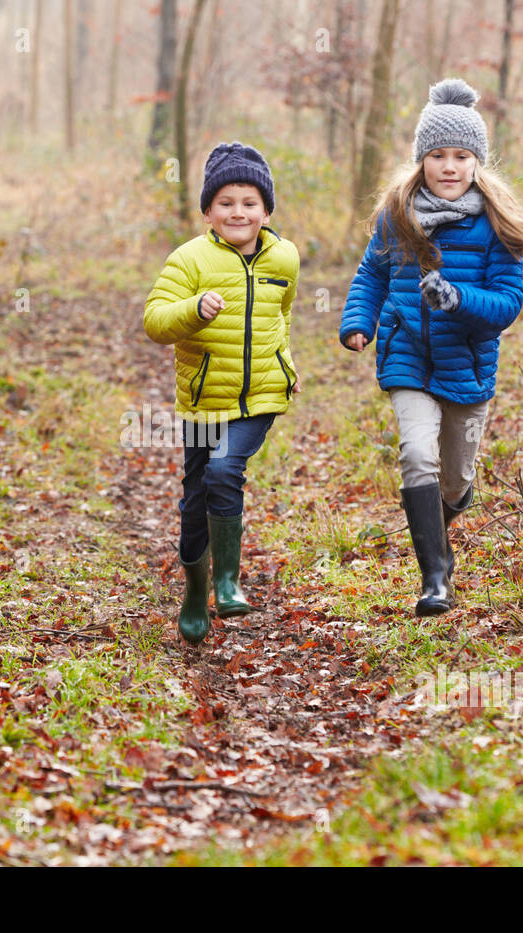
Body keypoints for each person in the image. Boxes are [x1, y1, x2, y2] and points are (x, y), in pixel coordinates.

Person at [339, 79, 523, 616]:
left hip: (468, 368)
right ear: (421, 160)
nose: (448, 166)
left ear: (477, 162)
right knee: (416, 455)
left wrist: (456, 298)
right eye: (437, 155)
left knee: (456, 480)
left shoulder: (496, 226)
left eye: (461, 155)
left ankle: (443, 516)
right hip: (408, 358)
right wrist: (360, 321)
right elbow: (370, 276)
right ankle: (435, 578)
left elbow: (506, 305)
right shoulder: (397, 214)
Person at [144, 142, 300, 645]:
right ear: (208, 210)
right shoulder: (188, 260)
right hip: (203, 400)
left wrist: (287, 364)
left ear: (266, 210)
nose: (239, 212)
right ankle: (195, 594)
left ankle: (228, 582)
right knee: (195, 499)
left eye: (250, 202)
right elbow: (155, 322)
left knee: (223, 469)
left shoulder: (285, 257)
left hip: (261, 396)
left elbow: (282, 315)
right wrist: (193, 310)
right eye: (226, 202)